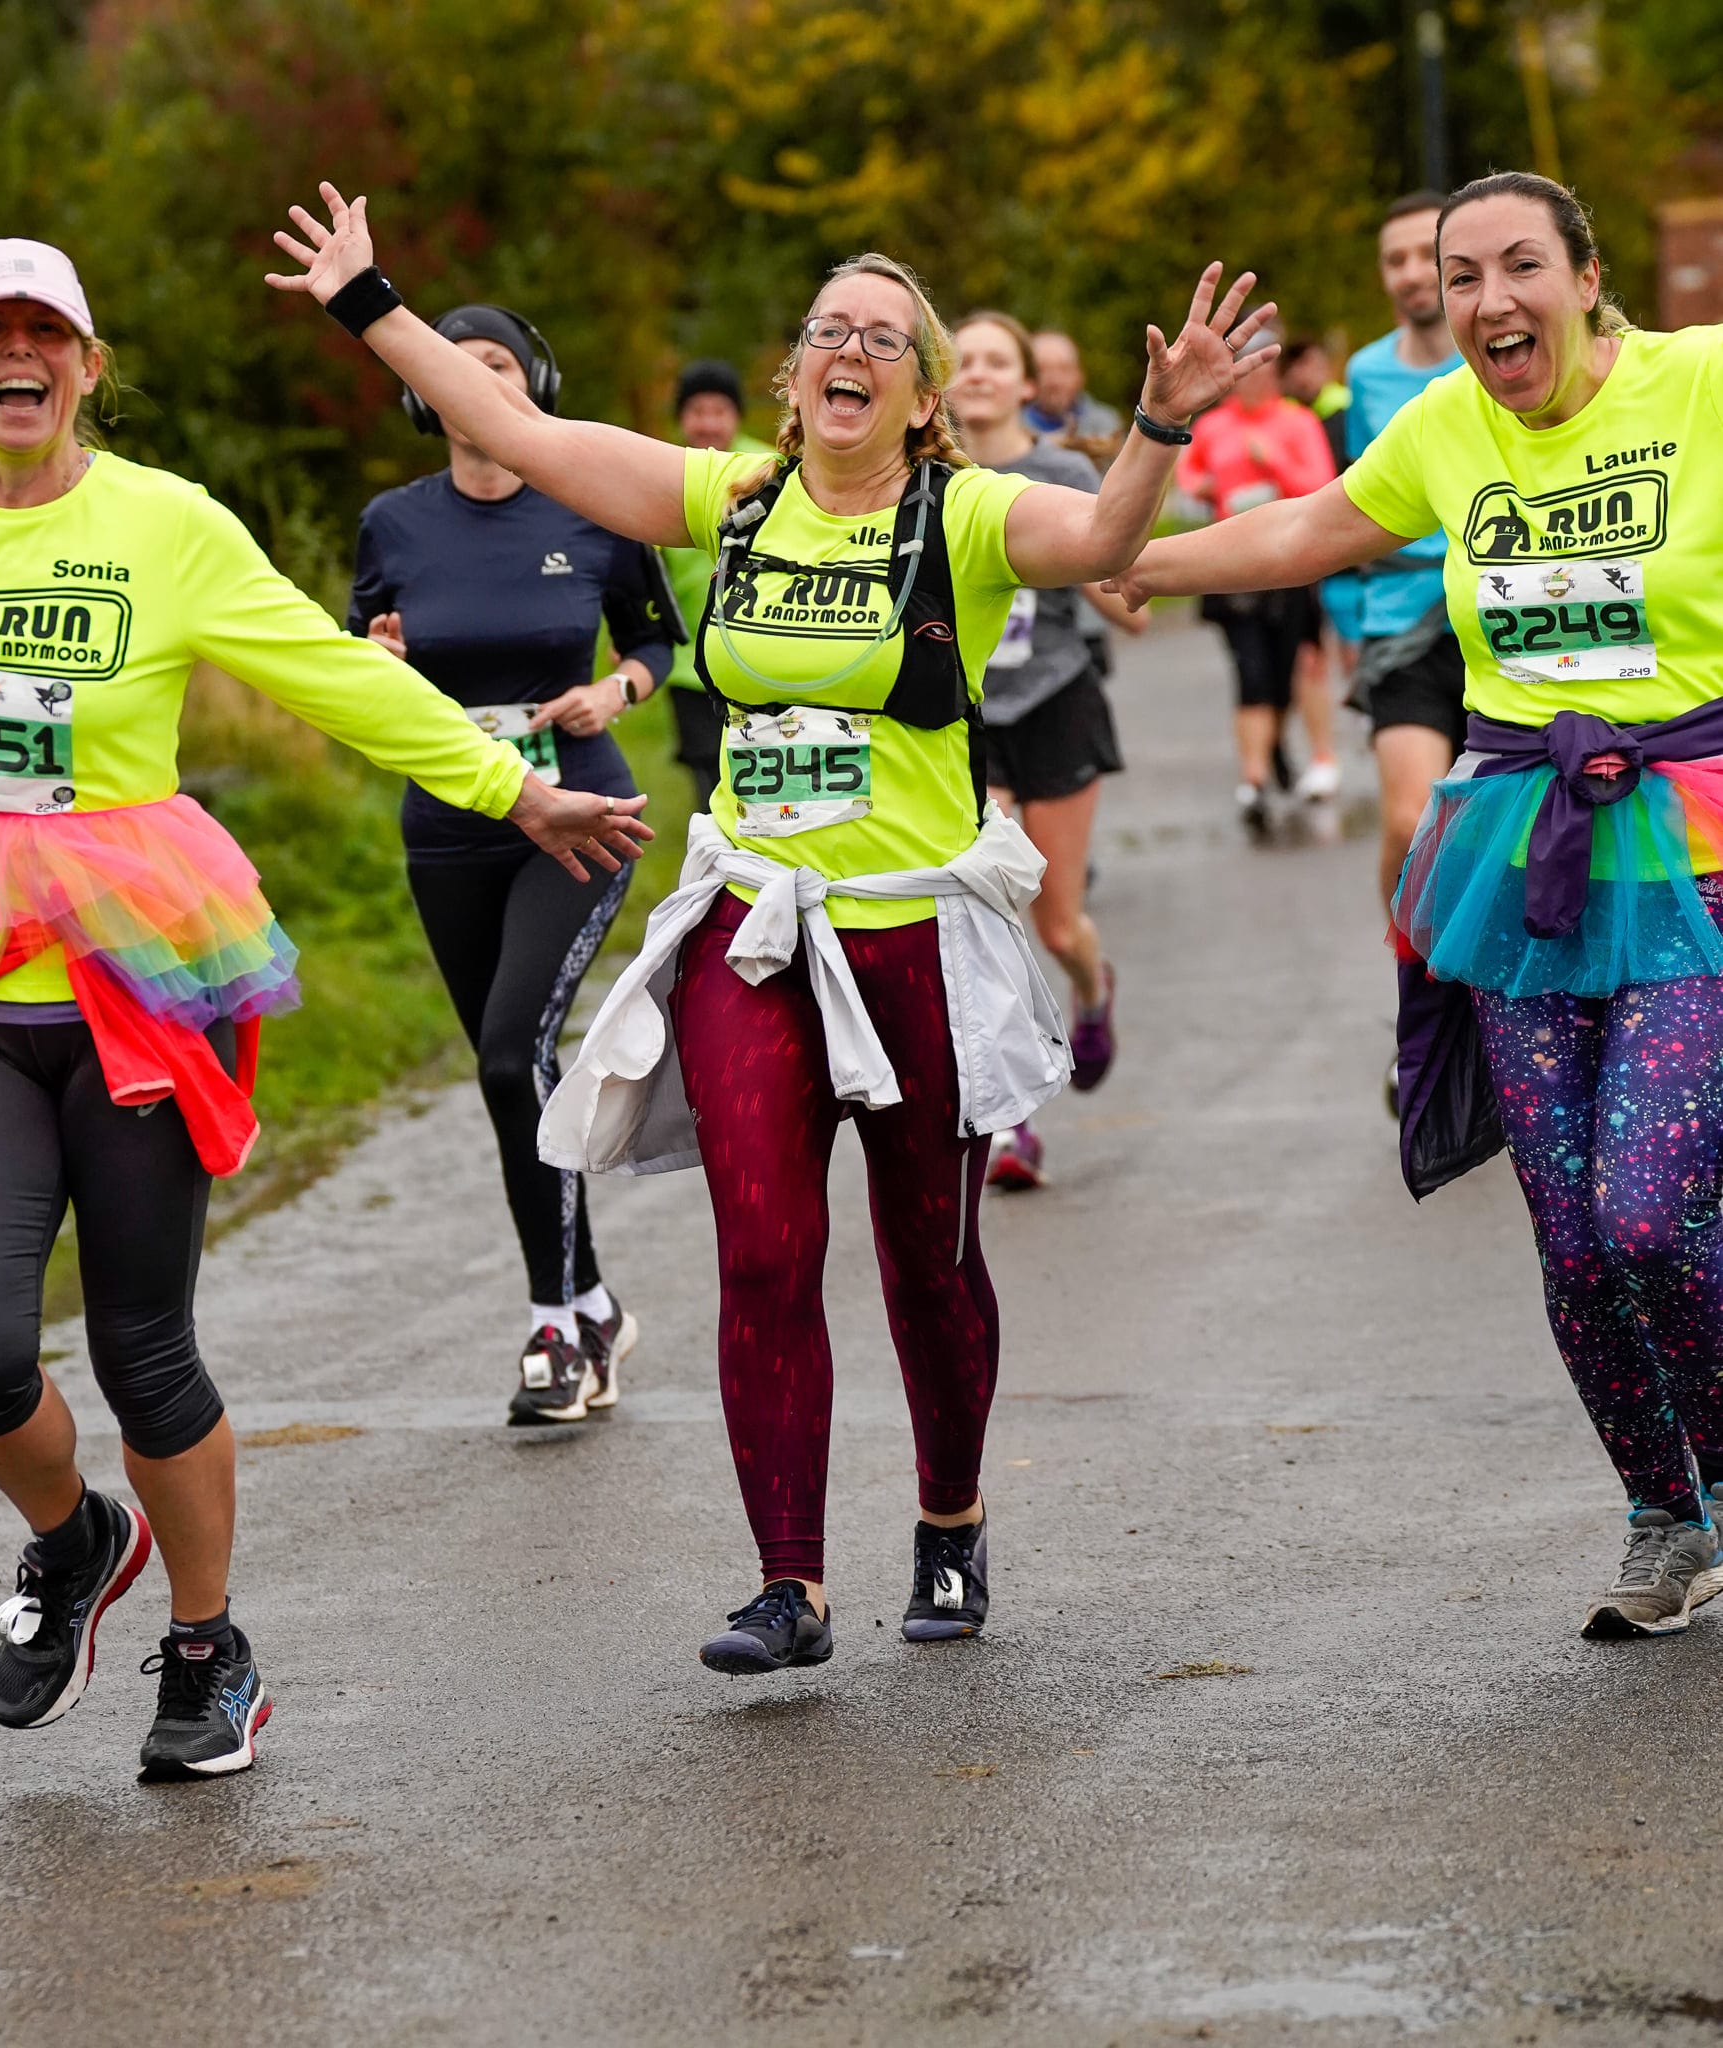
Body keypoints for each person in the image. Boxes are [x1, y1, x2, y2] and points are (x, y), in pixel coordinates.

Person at [268, 181, 1275, 1668]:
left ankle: (948, 1524)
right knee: (761, 1252)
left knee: (929, 1257)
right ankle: (787, 1584)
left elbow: (1101, 532)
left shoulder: (966, 515)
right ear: (794, 376)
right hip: (758, 932)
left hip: (915, 937)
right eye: (825, 331)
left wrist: (1161, 422)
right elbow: (524, 434)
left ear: (923, 396)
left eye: (882, 337)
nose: (846, 349)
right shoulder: (732, 496)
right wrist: (370, 303)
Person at [0, 238, 645, 1782]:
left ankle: (210, 1651)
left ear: (88, 366)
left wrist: (514, 790)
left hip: (142, 988)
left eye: (48, 332)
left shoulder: (166, 525)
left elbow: (334, 677)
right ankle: (74, 1537)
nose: (18, 354)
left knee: (143, 1346)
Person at [1104, 171, 1723, 1641]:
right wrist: (1135, 560)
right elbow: (1308, 531)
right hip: (1518, 854)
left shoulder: (1699, 383)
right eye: (1462, 277)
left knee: (1645, 1209)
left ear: (1587, 277)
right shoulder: (1447, 421)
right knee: (1571, 1233)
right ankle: (1663, 1512)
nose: (1491, 299)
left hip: (1695, 842)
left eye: (1521, 266)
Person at [348, 303, 677, 1423]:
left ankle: (555, 1321)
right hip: (447, 822)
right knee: (511, 1080)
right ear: (420, 390)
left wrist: (615, 689)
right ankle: (591, 1305)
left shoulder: (588, 503)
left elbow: (657, 638)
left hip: (578, 815)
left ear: (534, 381)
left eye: (495, 364)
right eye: (452, 365)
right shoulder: (392, 522)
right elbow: (357, 657)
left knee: (508, 1054)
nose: (473, 381)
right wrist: (377, 658)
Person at [949, 310, 1148, 1191]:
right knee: (983, 909)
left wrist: (1123, 578)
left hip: (1056, 701)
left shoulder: (1061, 474)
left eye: (997, 361)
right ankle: (1010, 1122)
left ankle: (1091, 988)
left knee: (1055, 923)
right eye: (963, 360)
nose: (978, 373)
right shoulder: (925, 479)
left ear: (1027, 385)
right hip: (963, 719)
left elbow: (1124, 598)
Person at [1332, 194, 1468, 1119]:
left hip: (1497, 615)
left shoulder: (1499, 357)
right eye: (1395, 260)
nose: (1412, 274)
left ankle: (1509, 1004)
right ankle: (1418, 1010)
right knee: (1410, 820)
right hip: (1400, 623)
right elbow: (1351, 506)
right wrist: (1345, 614)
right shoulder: (1366, 372)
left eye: (1427, 255)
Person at [1176, 336, 1339, 831]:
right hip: (1233, 567)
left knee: (1290, 671)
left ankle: (1280, 750)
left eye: (1260, 374)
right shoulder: (1212, 425)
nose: (1251, 383)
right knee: (1251, 673)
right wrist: (1203, 487)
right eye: (1242, 375)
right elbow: (1187, 476)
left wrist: (1274, 463)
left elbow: (1323, 486)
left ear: (1274, 377)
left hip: (1289, 564)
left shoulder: (1297, 421)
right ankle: (1252, 781)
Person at [659, 359, 772, 808]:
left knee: (758, 761)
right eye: (697, 411)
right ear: (681, 417)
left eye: (719, 411)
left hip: (755, 650)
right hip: (688, 659)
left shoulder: (769, 469)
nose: (708, 423)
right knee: (706, 767)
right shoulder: (666, 472)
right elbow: (648, 566)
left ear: (737, 416)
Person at [1025, 329, 1124, 446]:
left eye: (1064, 369)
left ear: (1080, 375)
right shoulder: (1009, 425)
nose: (1055, 381)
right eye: (1042, 370)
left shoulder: (1107, 424)